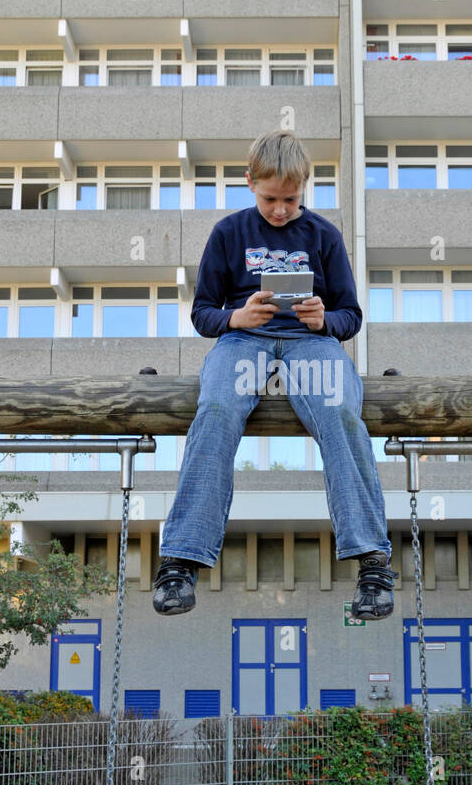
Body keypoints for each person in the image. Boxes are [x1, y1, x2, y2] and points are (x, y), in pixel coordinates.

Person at [153, 129, 395, 620]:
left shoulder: (324, 236)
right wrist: (235, 318)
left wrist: (324, 319)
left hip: (312, 343)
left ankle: (372, 562)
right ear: (249, 182)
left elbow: (352, 315)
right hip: (244, 341)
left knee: (341, 414)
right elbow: (203, 314)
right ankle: (180, 561)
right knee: (216, 410)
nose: (281, 210)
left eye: (291, 199)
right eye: (270, 199)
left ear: (305, 188)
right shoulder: (229, 233)